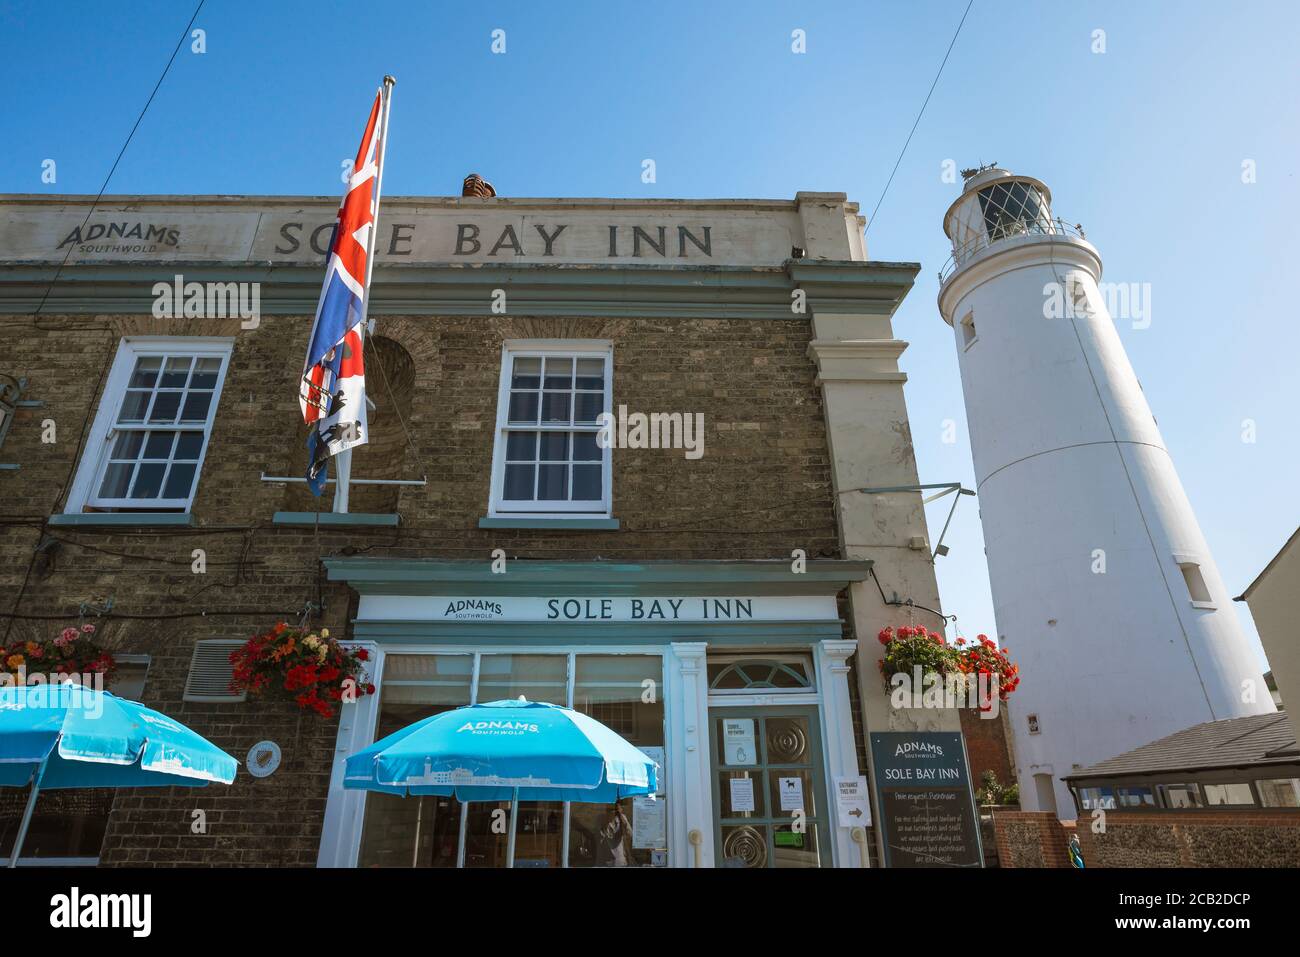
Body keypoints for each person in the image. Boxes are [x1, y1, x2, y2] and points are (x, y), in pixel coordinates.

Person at [596, 802, 633, 867]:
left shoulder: (622, 818)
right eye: (610, 809)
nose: (613, 811)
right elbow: (601, 835)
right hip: (608, 854)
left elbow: (629, 833)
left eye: (616, 809)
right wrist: (608, 821)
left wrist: (621, 817)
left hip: (620, 854)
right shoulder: (602, 818)